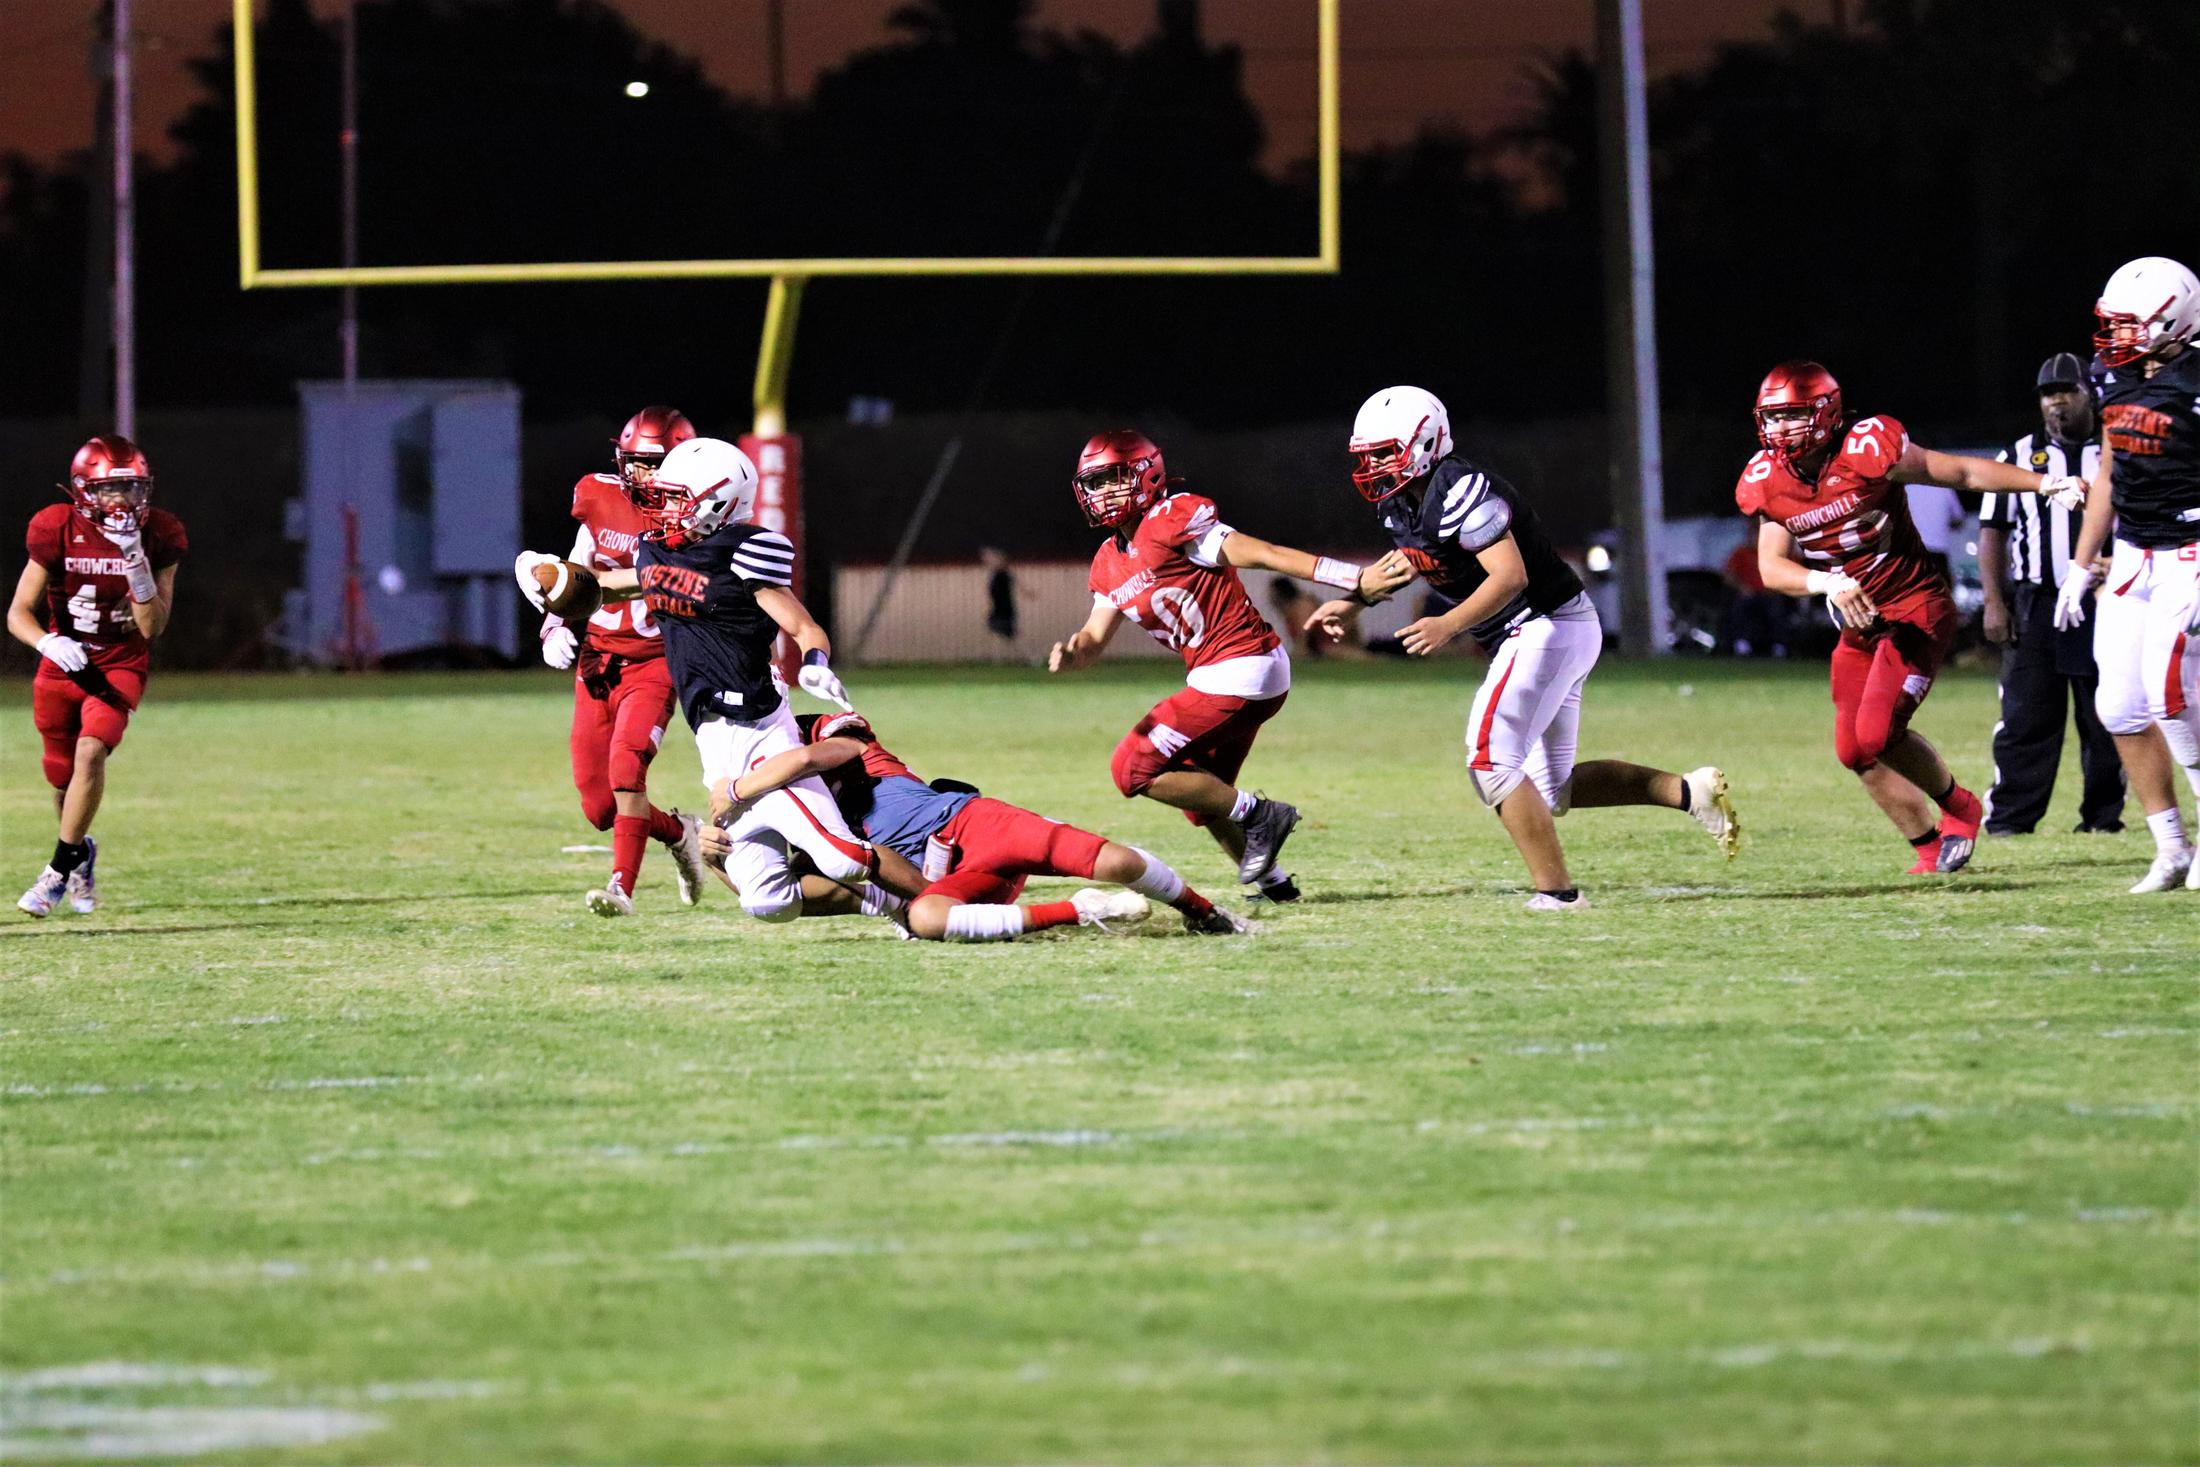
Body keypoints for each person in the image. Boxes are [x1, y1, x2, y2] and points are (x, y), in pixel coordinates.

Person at [1305, 386, 1739, 911]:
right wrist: (1351, 603)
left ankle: (1558, 894)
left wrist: (1449, 624)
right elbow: (1415, 559)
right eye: (1368, 455)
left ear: (1425, 442)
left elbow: (1510, 576)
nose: (1373, 465)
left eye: (1383, 452)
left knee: (1490, 758)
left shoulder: (1462, 488)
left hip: (1545, 625)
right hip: (1543, 631)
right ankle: (1689, 792)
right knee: (1550, 789)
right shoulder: (1403, 501)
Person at [1736, 361, 2087, 874]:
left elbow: (1962, 472)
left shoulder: (1866, 448)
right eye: (1772, 417)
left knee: (1878, 734)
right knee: (1853, 750)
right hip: (1860, 622)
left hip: (1914, 609)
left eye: (1792, 415)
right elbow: (1770, 566)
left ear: (1825, 412)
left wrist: (2045, 484)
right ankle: (1928, 847)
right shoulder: (1767, 479)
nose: (1779, 428)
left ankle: (1961, 808)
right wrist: (1826, 582)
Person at [1047, 429, 1416, 903]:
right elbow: (1093, 638)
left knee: (1130, 769)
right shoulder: (1107, 562)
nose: (1102, 493)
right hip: (1225, 673)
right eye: (1094, 483)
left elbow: (1265, 554)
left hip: (1242, 665)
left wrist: (1354, 578)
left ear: (1147, 475)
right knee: (1202, 792)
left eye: (1113, 479)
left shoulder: (1171, 518)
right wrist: (1074, 653)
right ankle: (1275, 886)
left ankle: (1262, 815)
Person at [618, 436, 886, 923]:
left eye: (676, 497)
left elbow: (804, 627)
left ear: (717, 502)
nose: (665, 507)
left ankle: (936, 883)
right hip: (713, 744)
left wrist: (816, 663)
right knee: (768, 902)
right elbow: (616, 584)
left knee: (844, 860)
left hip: (759, 728)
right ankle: (892, 904)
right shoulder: (653, 551)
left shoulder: (742, 551)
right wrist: (553, 580)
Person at [703, 708, 1248, 939]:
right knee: (926, 918)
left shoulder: (816, 730)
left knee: (1118, 862)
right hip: (945, 882)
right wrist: (719, 858)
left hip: (969, 822)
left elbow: (826, 754)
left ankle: (1204, 913)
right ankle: (1081, 910)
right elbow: (772, 894)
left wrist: (742, 788)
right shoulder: (769, 797)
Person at [516, 405, 706, 917]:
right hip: (598, 661)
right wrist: (555, 623)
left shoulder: (695, 519)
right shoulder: (599, 496)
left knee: (627, 769)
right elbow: (579, 568)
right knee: (600, 807)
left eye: (655, 464)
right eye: (636, 461)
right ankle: (680, 831)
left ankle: (622, 887)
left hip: (655, 663)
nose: (642, 474)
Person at [2055, 255, 2200, 893]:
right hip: (2133, 553)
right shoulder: (2112, 376)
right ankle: (2171, 847)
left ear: (2174, 320)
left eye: (2127, 323)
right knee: (2118, 705)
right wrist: (2078, 565)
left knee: (2171, 696)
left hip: (2190, 550)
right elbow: (2108, 475)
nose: (2114, 335)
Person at [8, 436, 187, 917]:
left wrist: (134, 559)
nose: (124, 499)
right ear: (85, 490)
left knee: (91, 752)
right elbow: (18, 613)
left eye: (133, 487)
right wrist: (48, 643)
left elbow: (151, 627)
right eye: (112, 488)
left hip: (119, 662)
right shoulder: (55, 526)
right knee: (62, 780)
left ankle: (55, 873)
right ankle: (80, 850)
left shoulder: (159, 533)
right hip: (63, 662)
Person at [1979, 353, 2124, 836]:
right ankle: (2010, 820)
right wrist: (1995, 601)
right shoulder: (2018, 456)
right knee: (2025, 715)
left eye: (2067, 390)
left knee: (2106, 712)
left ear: (2090, 394)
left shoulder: (2115, 451)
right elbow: (1993, 531)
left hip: (2102, 600)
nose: (2056, 401)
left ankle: (2103, 818)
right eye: (2047, 393)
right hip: (2036, 601)